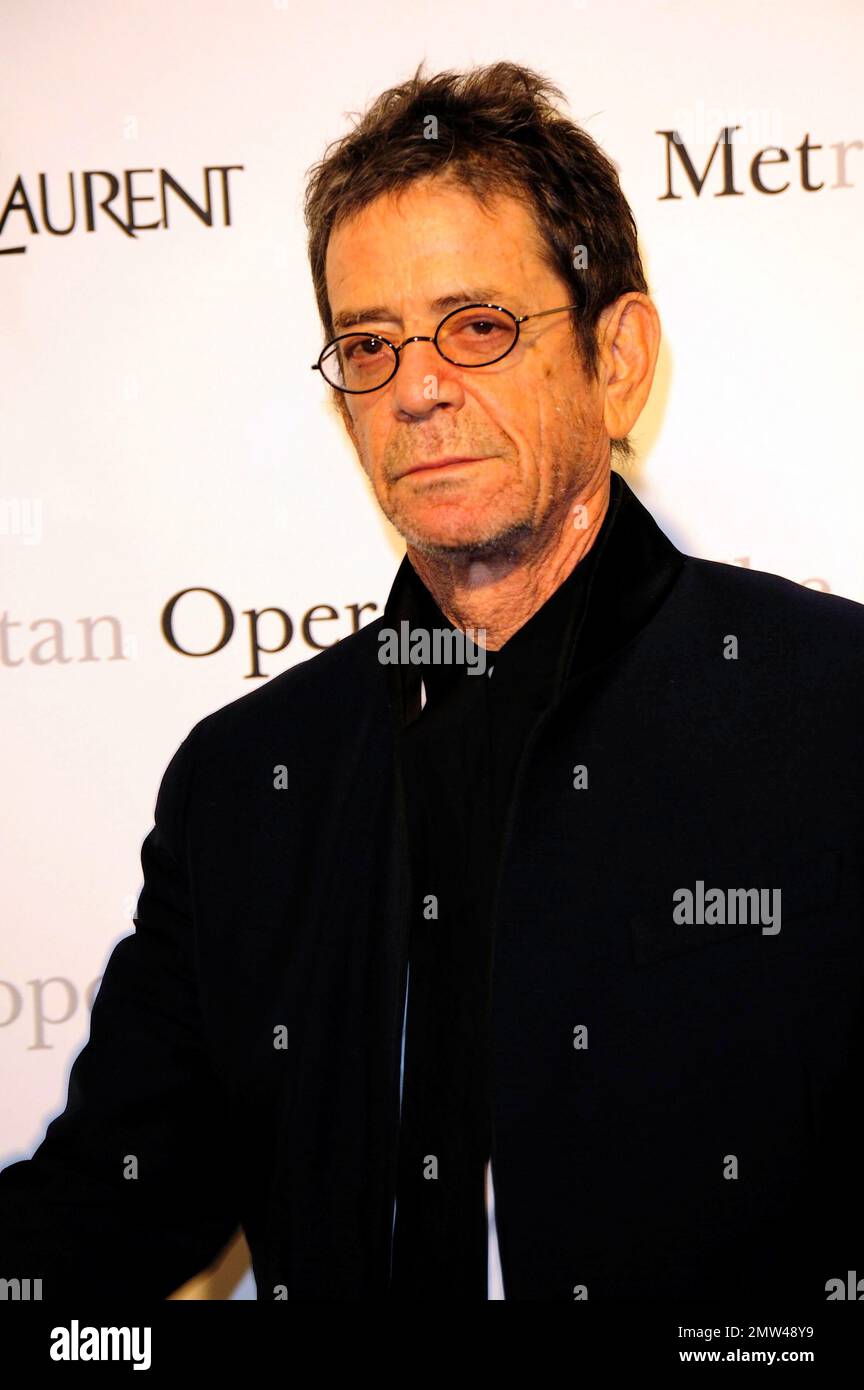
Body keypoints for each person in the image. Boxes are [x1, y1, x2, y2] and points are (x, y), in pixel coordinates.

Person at [2, 59, 862, 1301]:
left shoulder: (833, 717)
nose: (415, 388)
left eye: (477, 326)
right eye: (368, 344)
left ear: (617, 356)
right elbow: (112, 1206)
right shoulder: (249, 784)